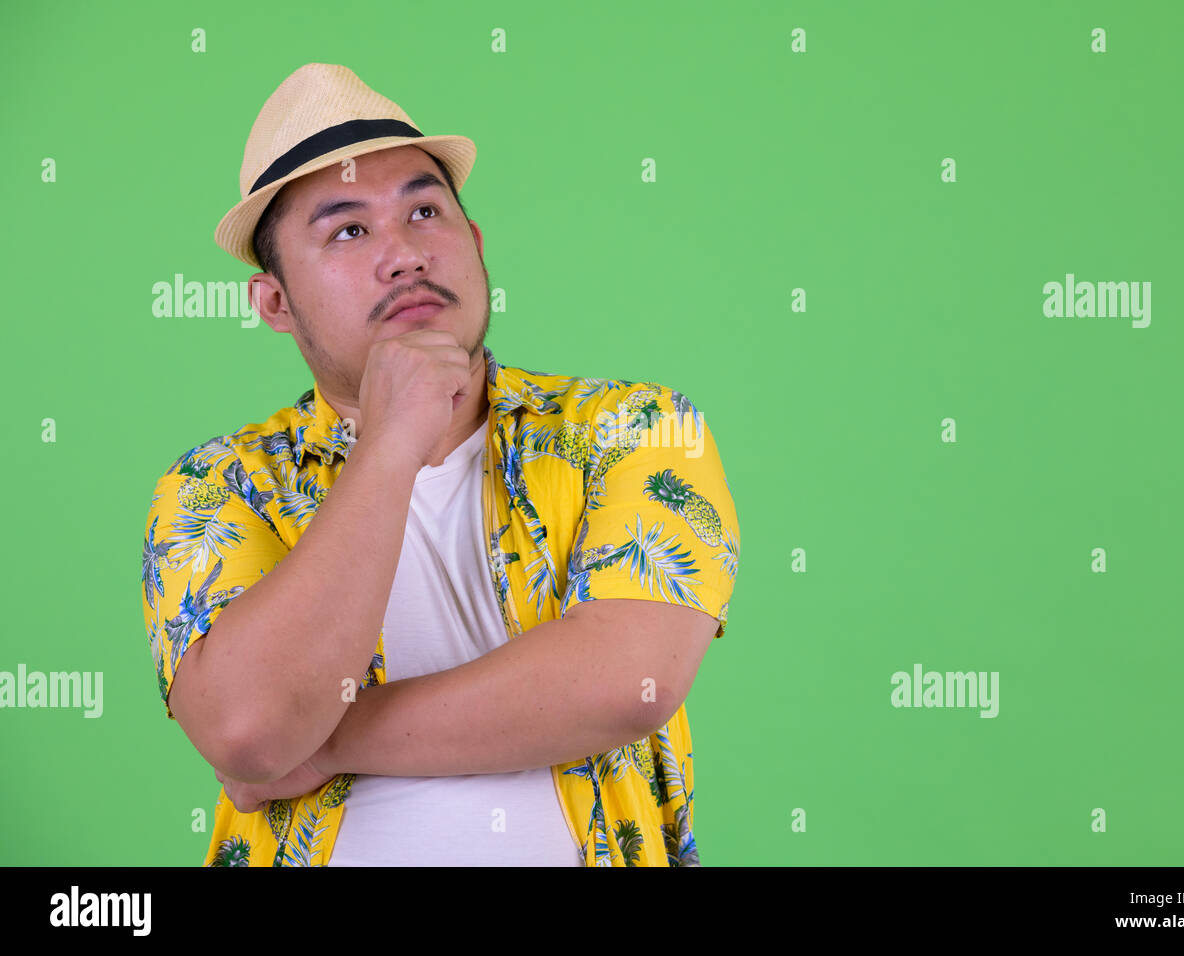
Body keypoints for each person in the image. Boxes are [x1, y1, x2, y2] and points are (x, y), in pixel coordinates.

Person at [139, 63, 740, 866]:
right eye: (348, 230)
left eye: (425, 211)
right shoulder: (219, 487)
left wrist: (322, 742)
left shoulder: (631, 430)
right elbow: (249, 729)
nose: (403, 256)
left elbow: (626, 683)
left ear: (476, 242)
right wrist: (389, 443)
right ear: (274, 304)